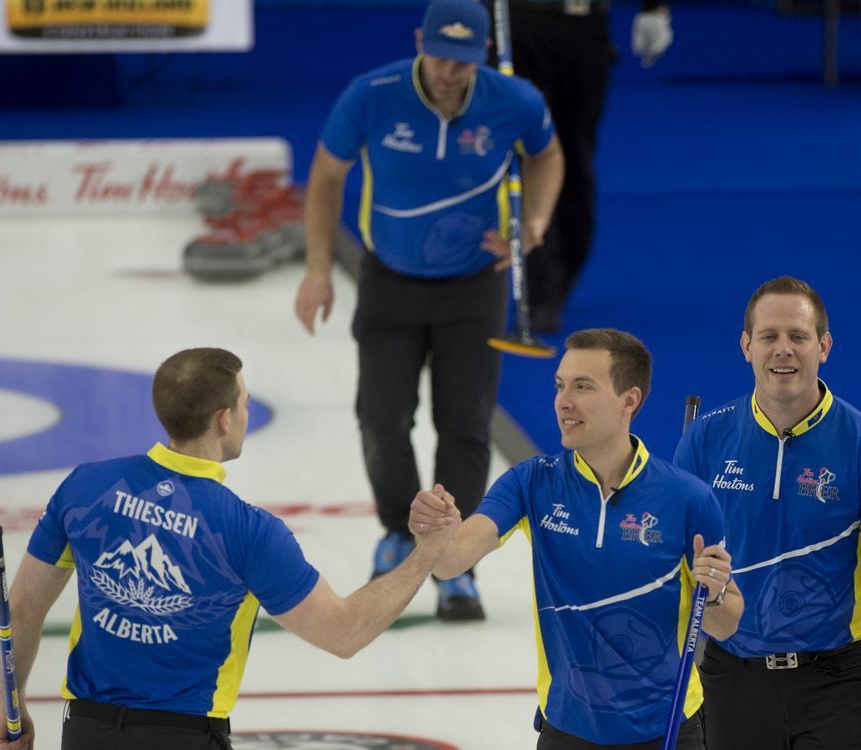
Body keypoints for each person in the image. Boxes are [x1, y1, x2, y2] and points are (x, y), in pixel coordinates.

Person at [0, 348, 460, 750]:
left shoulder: (86, 486)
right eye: (245, 402)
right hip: (184, 736)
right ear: (224, 418)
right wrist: (425, 554)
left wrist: (9, 704)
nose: (246, 412)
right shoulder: (248, 530)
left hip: (86, 733)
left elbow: (23, 607)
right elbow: (344, 633)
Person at [293, 0, 564, 621]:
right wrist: (315, 269)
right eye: (441, 57)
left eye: (464, 63)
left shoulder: (514, 101)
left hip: (475, 285)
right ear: (420, 41)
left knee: (464, 422)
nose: (450, 72)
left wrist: (538, 223)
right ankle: (398, 528)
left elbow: (547, 155)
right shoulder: (371, 95)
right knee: (381, 418)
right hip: (389, 280)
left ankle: (453, 556)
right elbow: (327, 175)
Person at [411, 328, 743, 747]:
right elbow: (450, 562)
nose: (563, 402)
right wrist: (436, 538)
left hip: (669, 733)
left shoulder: (689, 499)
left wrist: (712, 593)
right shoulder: (531, 483)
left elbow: (725, 622)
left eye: (583, 387)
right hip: (567, 733)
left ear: (630, 400)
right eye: (560, 386)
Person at [673, 276, 861, 750]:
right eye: (769, 336)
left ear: (824, 346)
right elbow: (675, 575)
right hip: (732, 675)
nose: (783, 350)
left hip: (837, 682)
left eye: (798, 336)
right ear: (746, 346)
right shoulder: (703, 441)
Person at [487, 0, 673, 333]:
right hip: (518, 21)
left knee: (575, 153)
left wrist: (653, 7)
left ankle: (561, 276)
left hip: (583, 25)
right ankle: (541, 289)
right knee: (532, 148)